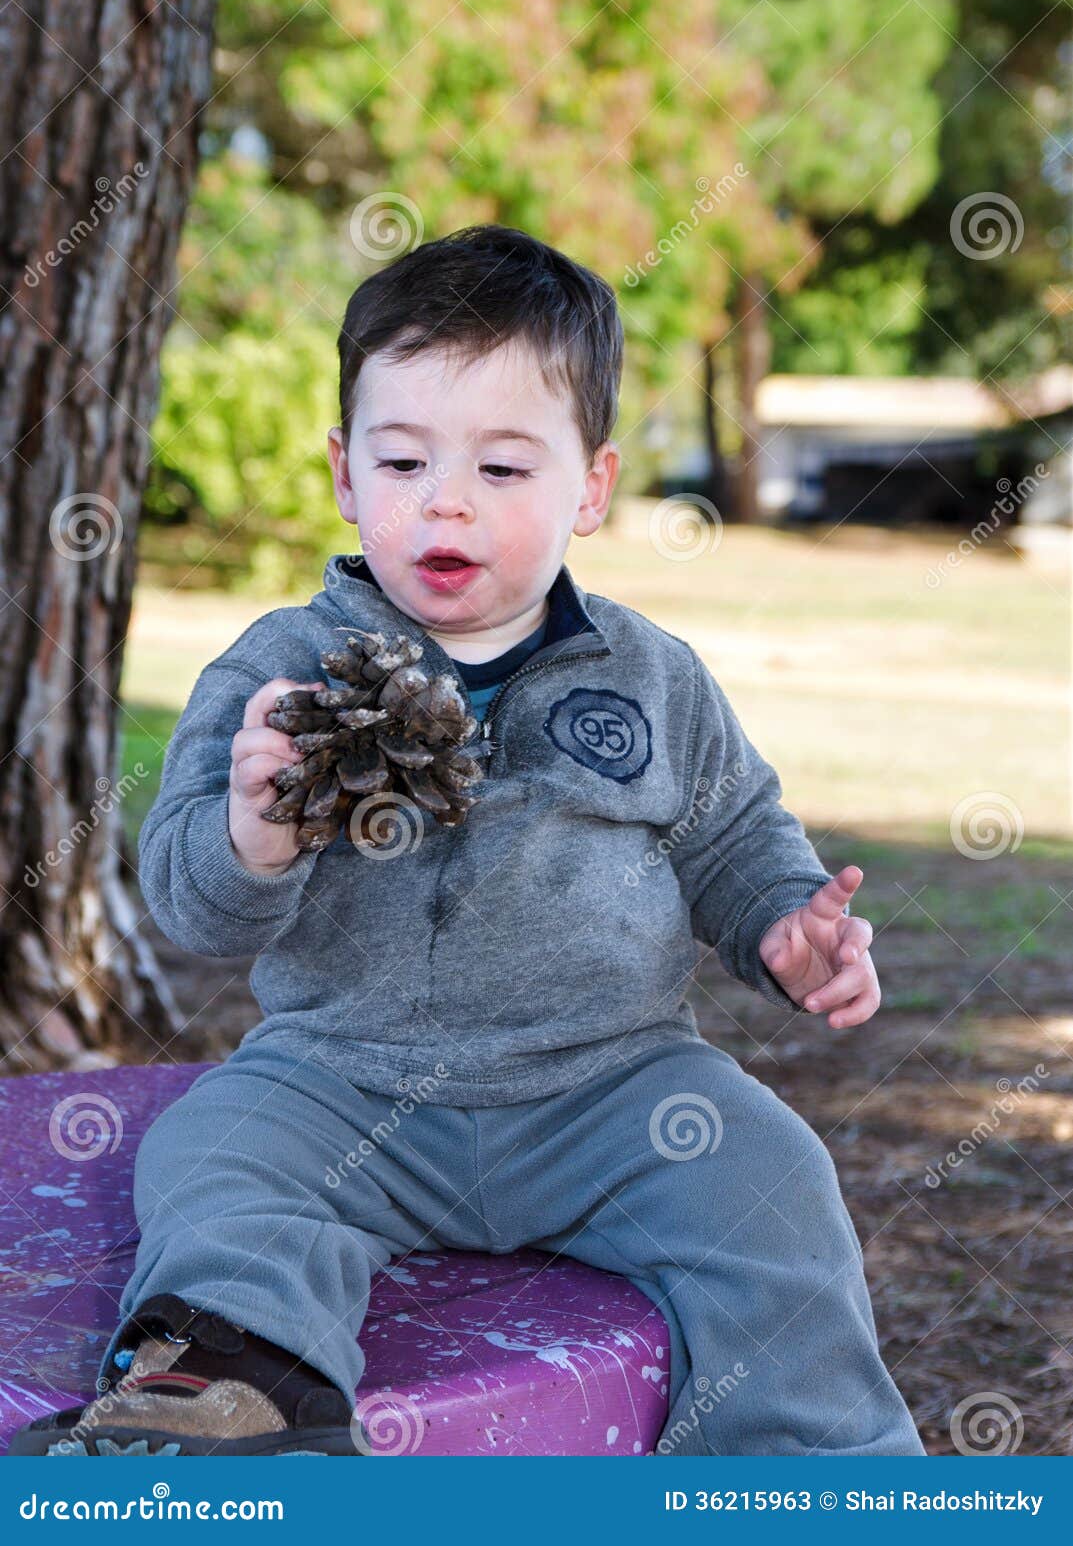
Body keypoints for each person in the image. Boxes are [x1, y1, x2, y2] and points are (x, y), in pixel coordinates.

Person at [11, 225, 925, 1457]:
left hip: (611, 1089)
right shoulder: (282, 668)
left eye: (502, 469)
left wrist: (786, 926)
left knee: (772, 1181)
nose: (444, 498)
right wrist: (252, 832)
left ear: (590, 487)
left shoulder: (650, 674)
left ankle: (803, 1464)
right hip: (342, 1082)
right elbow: (190, 904)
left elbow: (733, 841)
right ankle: (229, 1395)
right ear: (344, 472)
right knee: (212, 1154)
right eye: (403, 459)